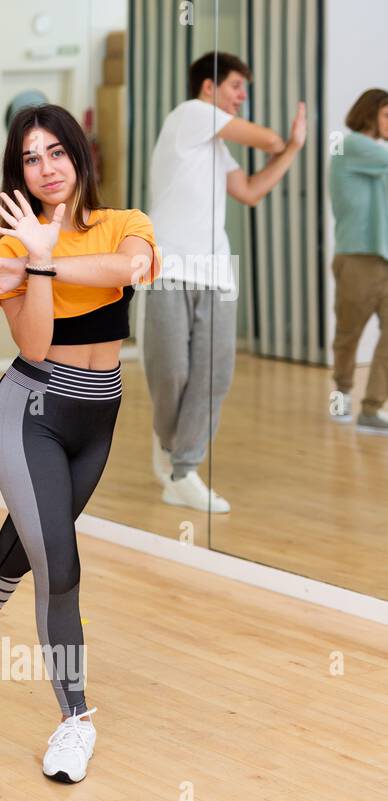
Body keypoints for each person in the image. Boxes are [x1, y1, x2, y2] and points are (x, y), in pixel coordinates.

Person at [0, 104, 160, 784]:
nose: (46, 168)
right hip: (31, 415)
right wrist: (36, 268)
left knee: (18, 552)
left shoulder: (124, 225)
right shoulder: (14, 250)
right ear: (16, 172)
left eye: (56, 153)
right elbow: (35, 344)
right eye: (30, 158)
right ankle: (75, 720)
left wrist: (54, 261)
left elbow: (130, 271)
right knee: (61, 566)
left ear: (81, 157)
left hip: (99, 416)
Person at [143, 52, 306, 512]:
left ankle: (184, 470)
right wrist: (284, 140)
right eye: (236, 86)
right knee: (171, 371)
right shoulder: (191, 115)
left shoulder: (217, 145)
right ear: (209, 88)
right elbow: (269, 139)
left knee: (213, 375)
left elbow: (251, 192)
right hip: (169, 269)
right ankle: (169, 441)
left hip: (216, 273)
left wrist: (293, 149)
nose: (243, 96)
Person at [328, 88, 388, 435]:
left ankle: (371, 409)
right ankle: (341, 397)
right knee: (349, 335)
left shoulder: (376, 157)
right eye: (386, 115)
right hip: (358, 259)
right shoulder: (351, 145)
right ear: (369, 115)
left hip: (382, 259)